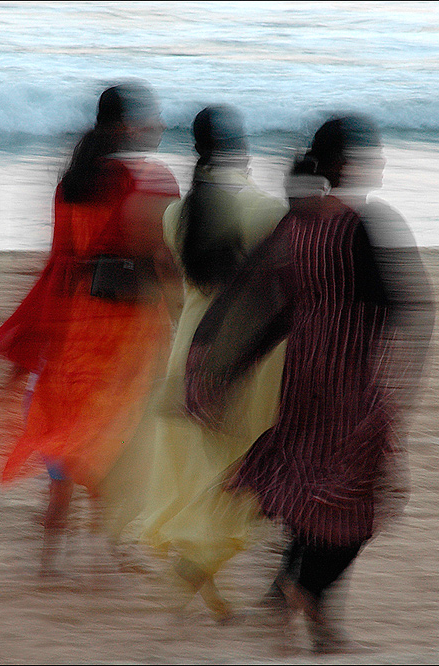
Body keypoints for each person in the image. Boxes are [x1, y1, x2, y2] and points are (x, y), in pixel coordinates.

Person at [184, 114, 433, 652]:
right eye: (369, 152)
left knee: (311, 497)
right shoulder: (360, 225)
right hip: (349, 384)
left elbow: (265, 303)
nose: (376, 161)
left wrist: (231, 367)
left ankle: (298, 610)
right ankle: (305, 594)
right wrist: (400, 382)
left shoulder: (298, 225)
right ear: (345, 162)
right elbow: (408, 306)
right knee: (359, 504)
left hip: (303, 381)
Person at [0, 82, 181, 576]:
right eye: (150, 117)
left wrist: (28, 330)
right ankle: (106, 558)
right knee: (114, 432)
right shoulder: (142, 180)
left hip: (78, 320)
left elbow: (59, 262)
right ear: (128, 125)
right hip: (127, 325)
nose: (158, 125)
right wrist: (180, 315)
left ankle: (49, 563)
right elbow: (158, 257)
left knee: (69, 429)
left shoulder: (72, 182)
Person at [105, 105, 287, 620]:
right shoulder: (265, 209)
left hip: (190, 346)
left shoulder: (176, 213)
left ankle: (213, 597)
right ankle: (197, 573)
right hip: (245, 351)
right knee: (241, 470)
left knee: (195, 469)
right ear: (241, 148)